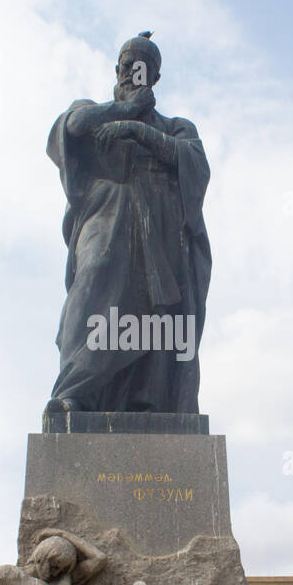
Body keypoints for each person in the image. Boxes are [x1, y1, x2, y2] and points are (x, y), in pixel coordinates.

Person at [45, 31, 212, 414]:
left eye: (142, 68)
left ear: (153, 77)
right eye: (127, 66)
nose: (132, 74)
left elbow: (196, 165)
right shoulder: (93, 110)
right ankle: (73, 393)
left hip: (161, 231)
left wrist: (139, 130)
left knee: (158, 318)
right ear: (117, 69)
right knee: (95, 281)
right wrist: (123, 113)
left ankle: (147, 404)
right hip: (107, 218)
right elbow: (70, 128)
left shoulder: (174, 126)